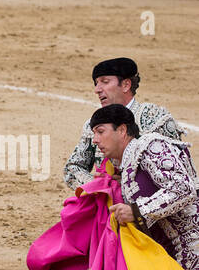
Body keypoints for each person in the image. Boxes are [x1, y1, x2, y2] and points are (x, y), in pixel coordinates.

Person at [92, 103, 199, 270]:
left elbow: (183, 189)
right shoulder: (127, 168)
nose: (95, 140)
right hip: (175, 251)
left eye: (100, 131)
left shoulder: (149, 146)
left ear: (122, 130)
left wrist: (137, 210)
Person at [64, 57, 184, 188]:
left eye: (105, 82)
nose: (97, 89)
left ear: (126, 85)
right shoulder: (93, 125)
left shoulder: (154, 119)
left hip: (150, 204)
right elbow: (72, 169)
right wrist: (100, 185)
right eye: (96, 83)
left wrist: (127, 184)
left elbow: (179, 174)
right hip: (111, 205)